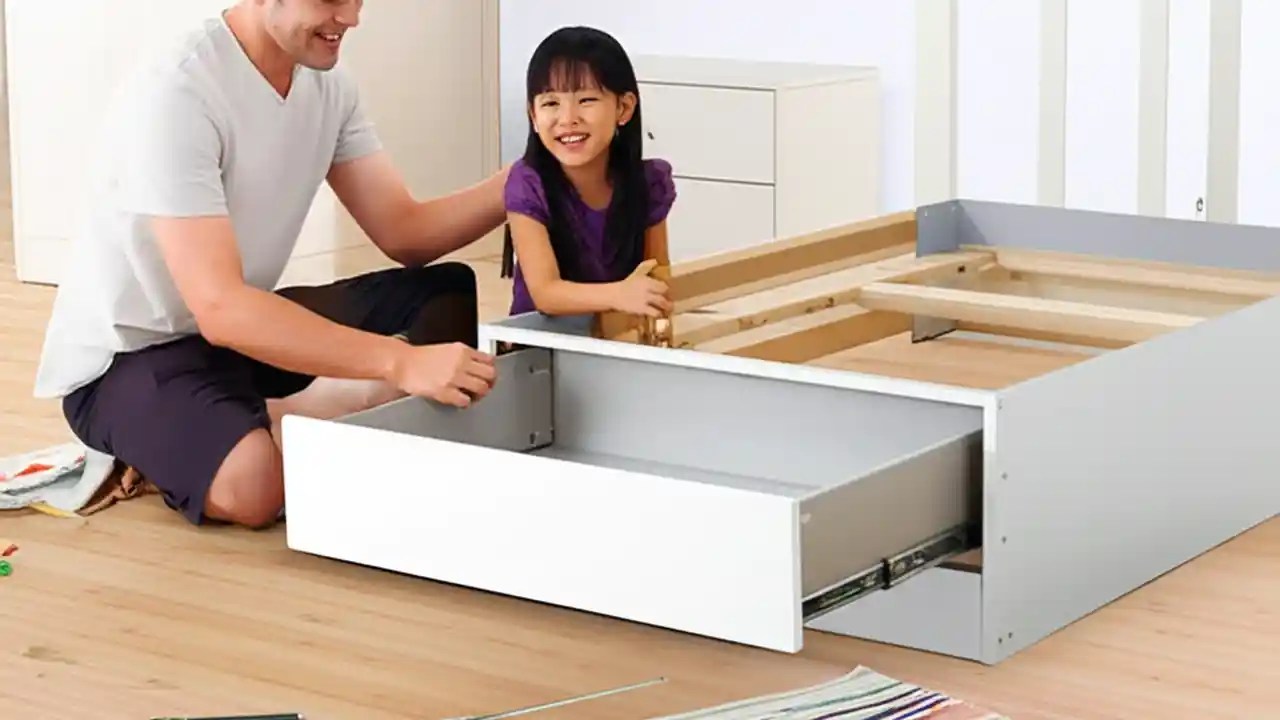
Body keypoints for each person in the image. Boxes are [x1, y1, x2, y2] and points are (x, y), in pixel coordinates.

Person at [31, 0, 505, 529]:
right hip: (131, 358)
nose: (350, 18)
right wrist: (398, 364)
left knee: (445, 294)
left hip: (234, 338)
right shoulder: (178, 91)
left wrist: (524, 181)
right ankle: (206, 437)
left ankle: (271, 415)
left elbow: (405, 232)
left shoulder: (329, 87)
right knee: (253, 486)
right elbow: (219, 307)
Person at [500, 26, 677, 320]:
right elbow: (546, 293)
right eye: (551, 103)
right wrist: (619, 294)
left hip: (616, 340)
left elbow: (656, 274)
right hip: (540, 347)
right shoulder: (528, 184)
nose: (568, 119)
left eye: (586, 100)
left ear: (624, 108)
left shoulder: (648, 182)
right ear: (533, 115)